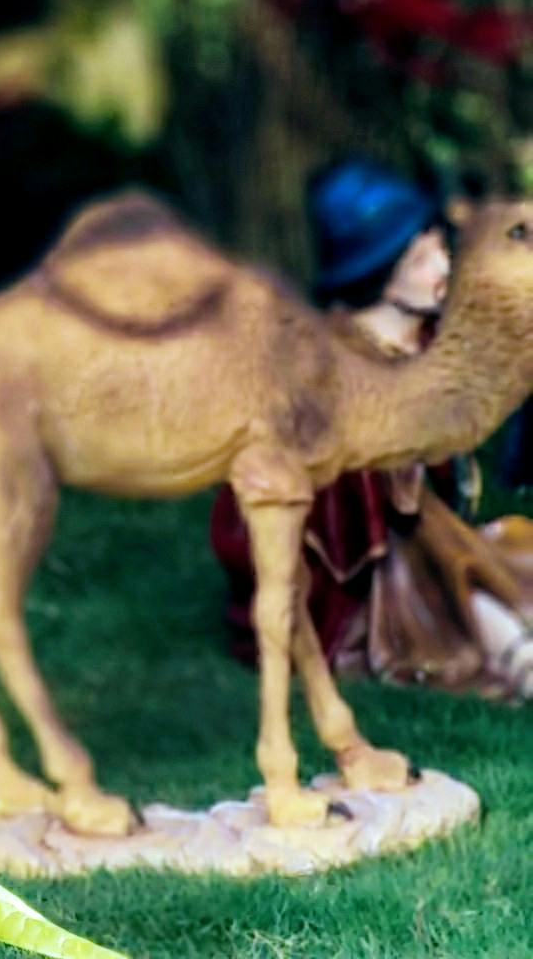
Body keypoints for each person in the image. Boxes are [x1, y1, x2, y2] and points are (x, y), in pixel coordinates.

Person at [208, 155, 533, 698]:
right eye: (421, 259)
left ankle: (509, 636)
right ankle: (517, 656)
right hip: (364, 577)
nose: (443, 268)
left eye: (441, 248)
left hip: (428, 541)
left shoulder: (427, 345)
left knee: (478, 553)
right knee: (439, 552)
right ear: (378, 271)